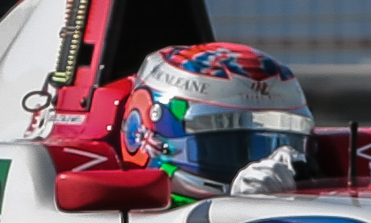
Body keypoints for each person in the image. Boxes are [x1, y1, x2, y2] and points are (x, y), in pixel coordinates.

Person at [117, 43, 314, 197]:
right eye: (227, 147)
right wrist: (242, 216)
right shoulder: (127, 217)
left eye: (281, 142)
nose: (270, 167)